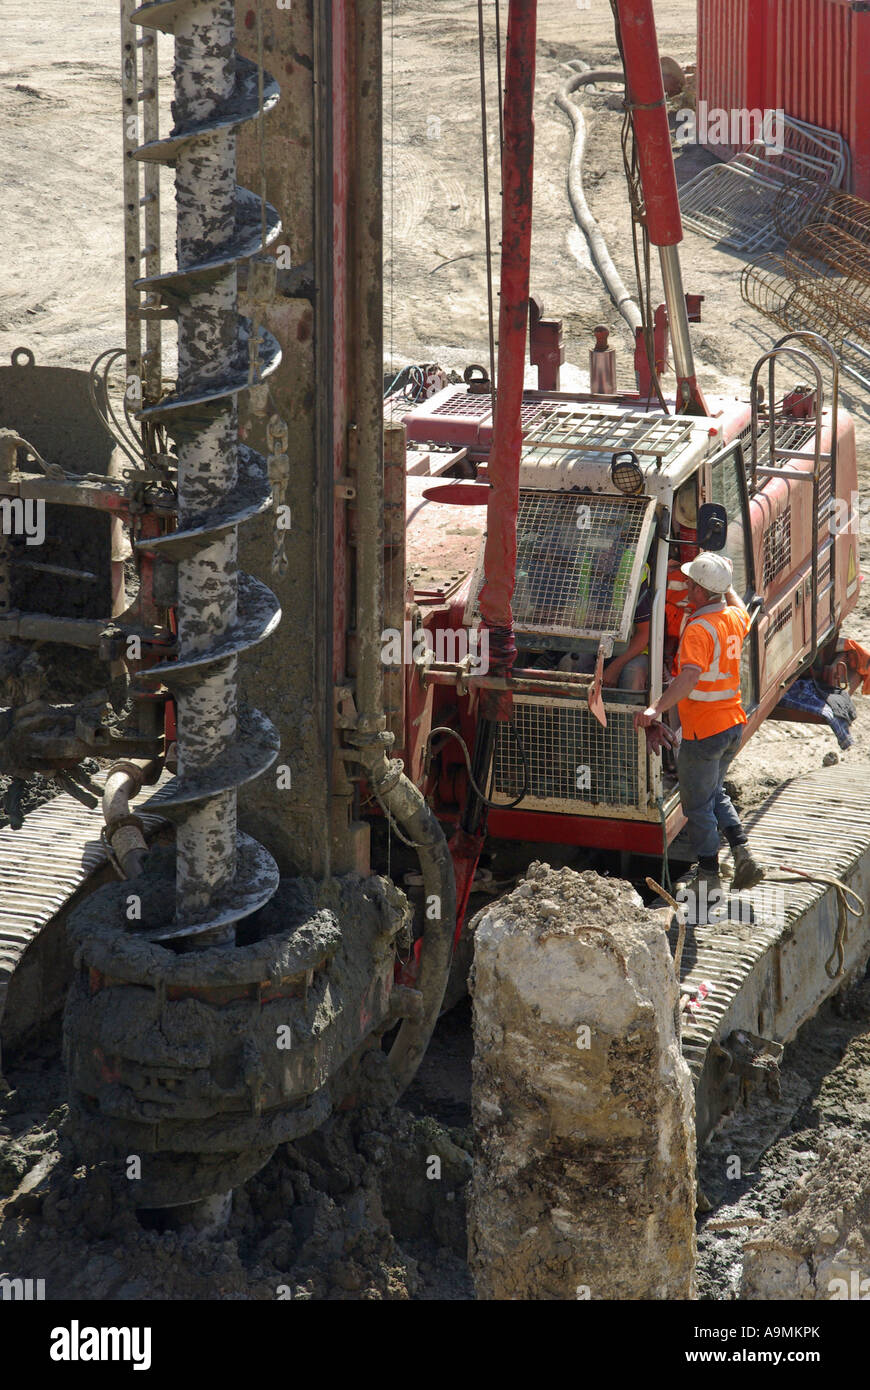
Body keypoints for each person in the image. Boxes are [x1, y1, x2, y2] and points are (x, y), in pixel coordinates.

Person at [634, 551, 764, 913]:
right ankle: (743, 853)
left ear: (702, 592)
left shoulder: (698, 629)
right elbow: (737, 604)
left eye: (691, 583)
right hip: (731, 725)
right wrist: (726, 583)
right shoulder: (732, 617)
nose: (686, 586)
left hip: (704, 732)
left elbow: (688, 678)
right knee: (714, 791)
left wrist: (655, 708)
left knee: (697, 805)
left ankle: (708, 872)